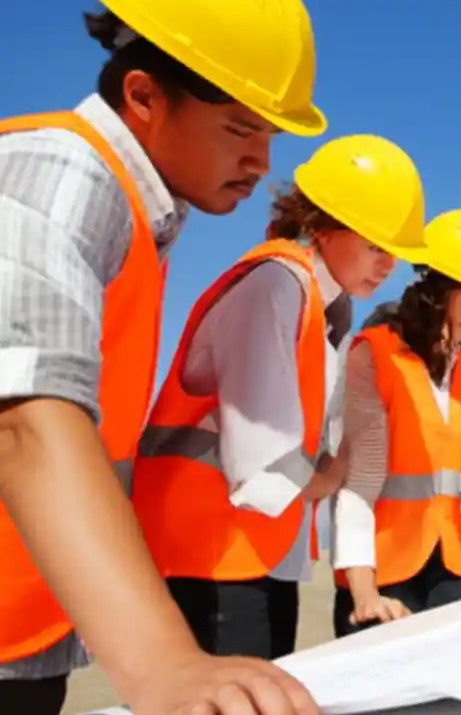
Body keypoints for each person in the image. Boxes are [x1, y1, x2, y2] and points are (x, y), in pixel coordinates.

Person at [0, 0, 325, 712]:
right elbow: (23, 416)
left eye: (271, 135)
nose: (261, 159)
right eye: (240, 127)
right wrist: (164, 665)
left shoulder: (141, 219)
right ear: (143, 95)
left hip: (28, 629)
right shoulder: (60, 173)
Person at [130, 133, 429, 661]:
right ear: (319, 224)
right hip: (212, 560)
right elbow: (260, 459)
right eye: (375, 245)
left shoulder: (318, 304)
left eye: (395, 253)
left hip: (252, 557)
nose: (387, 266)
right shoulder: (276, 285)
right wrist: (331, 477)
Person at [330, 209, 461, 634]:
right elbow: (356, 484)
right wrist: (363, 592)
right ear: (437, 293)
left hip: (456, 565)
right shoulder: (374, 354)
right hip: (384, 567)